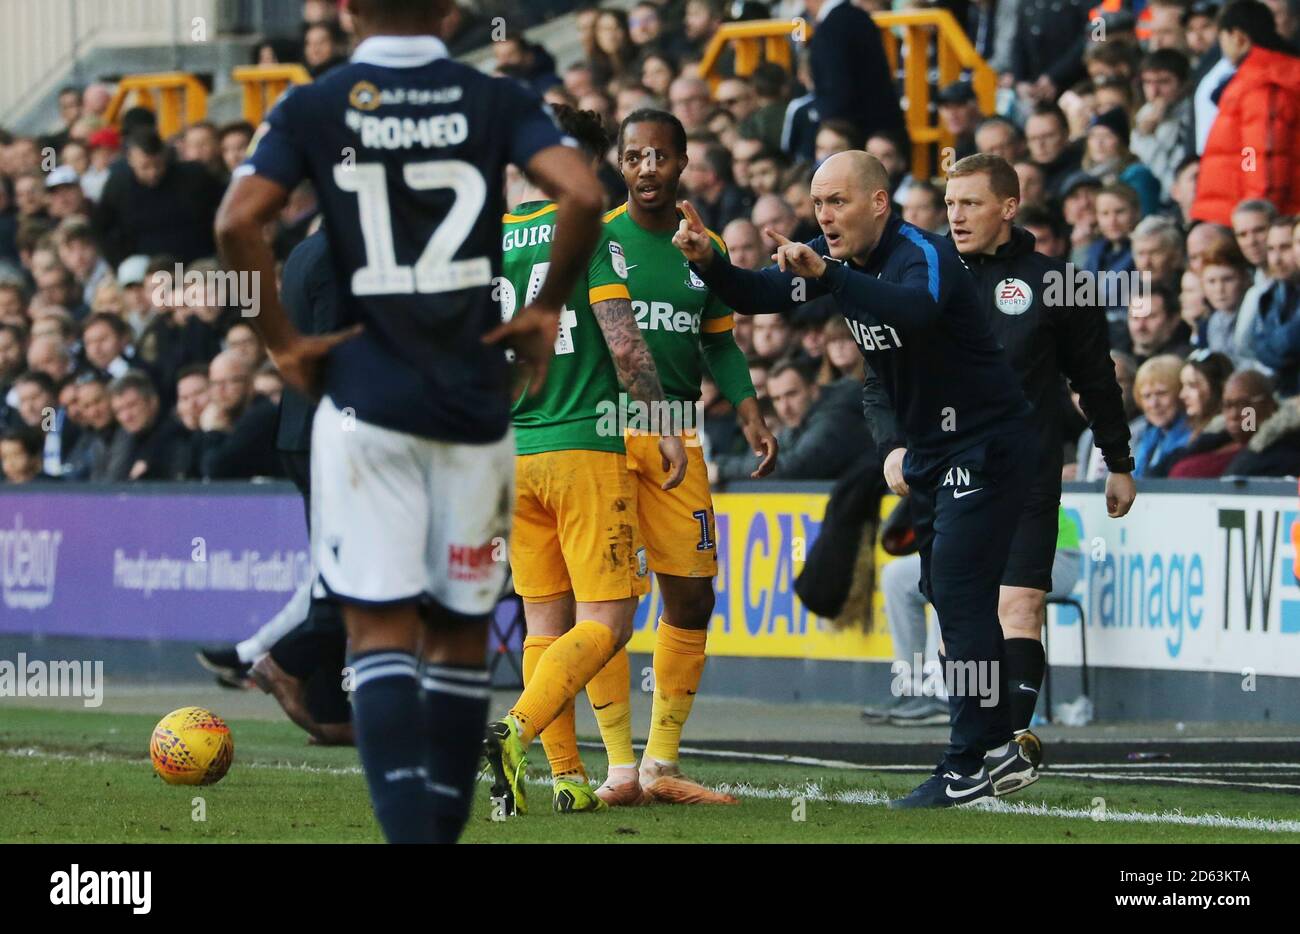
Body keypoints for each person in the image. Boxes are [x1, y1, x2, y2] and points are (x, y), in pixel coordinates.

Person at [216, 0, 605, 844]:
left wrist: (281, 343)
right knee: (459, 631)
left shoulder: (314, 104)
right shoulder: (497, 96)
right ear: (455, 10)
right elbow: (581, 191)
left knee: (379, 630)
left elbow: (235, 221)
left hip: (364, 404)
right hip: (471, 404)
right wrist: (542, 312)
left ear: (349, 10)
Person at [675, 150, 1040, 809]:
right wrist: (710, 261)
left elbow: (919, 310)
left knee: (956, 591)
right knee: (944, 588)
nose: (824, 216)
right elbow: (760, 295)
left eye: (837, 202)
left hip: (987, 445)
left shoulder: (919, 254)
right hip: (931, 451)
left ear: (879, 202)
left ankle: (966, 762)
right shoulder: (835, 261)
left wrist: (833, 276)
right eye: (817, 205)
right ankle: (996, 742)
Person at [558, 108, 775, 808]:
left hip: (681, 433)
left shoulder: (701, 245)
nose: (647, 168)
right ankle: (620, 769)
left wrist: (746, 409)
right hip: (610, 434)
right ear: (619, 166)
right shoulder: (598, 239)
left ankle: (660, 763)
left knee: (692, 592)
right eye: (633, 157)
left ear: (682, 163)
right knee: (610, 601)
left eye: (660, 156)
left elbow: (718, 340)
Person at [497, 105, 685, 813]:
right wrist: (664, 422)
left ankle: (569, 780)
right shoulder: (590, 236)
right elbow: (626, 346)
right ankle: (513, 731)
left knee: (544, 625)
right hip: (583, 443)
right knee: (608, 622)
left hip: (512, 454)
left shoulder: (486, 242)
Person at [943, 153, 1135, 766]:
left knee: (1019, 605)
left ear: (1008, 206)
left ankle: (1005, 748)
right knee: (966, 615)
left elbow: (1096, 381)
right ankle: (976, 738)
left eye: (970, 203)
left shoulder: (1061, 282)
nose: (956, 215)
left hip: (1026, 471)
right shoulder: (929, 275)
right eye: (949, 203)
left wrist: (1118, 460)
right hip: (949, 473)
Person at [1191, 0, 1300, 224]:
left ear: (1237, 37)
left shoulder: (1261, 81)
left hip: (1246, 219)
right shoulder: (1254, 76)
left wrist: (1254, 213)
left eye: (1222, 37)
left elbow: (1256, 153)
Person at [711, 358, 870, 482]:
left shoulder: (835, 418)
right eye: (777, 399)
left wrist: (722, 469)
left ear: (813, 391)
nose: (784, 407)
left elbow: (793, 466)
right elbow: (767, 456)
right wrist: (719, 463)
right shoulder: (802, 420)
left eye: (791, 394)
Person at [1132, 355, 1194, 476]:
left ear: (1181, 393)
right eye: (1146, 396)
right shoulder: (1144, 437)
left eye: (1161, 393)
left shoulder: (1194, 437)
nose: (1153, 404)